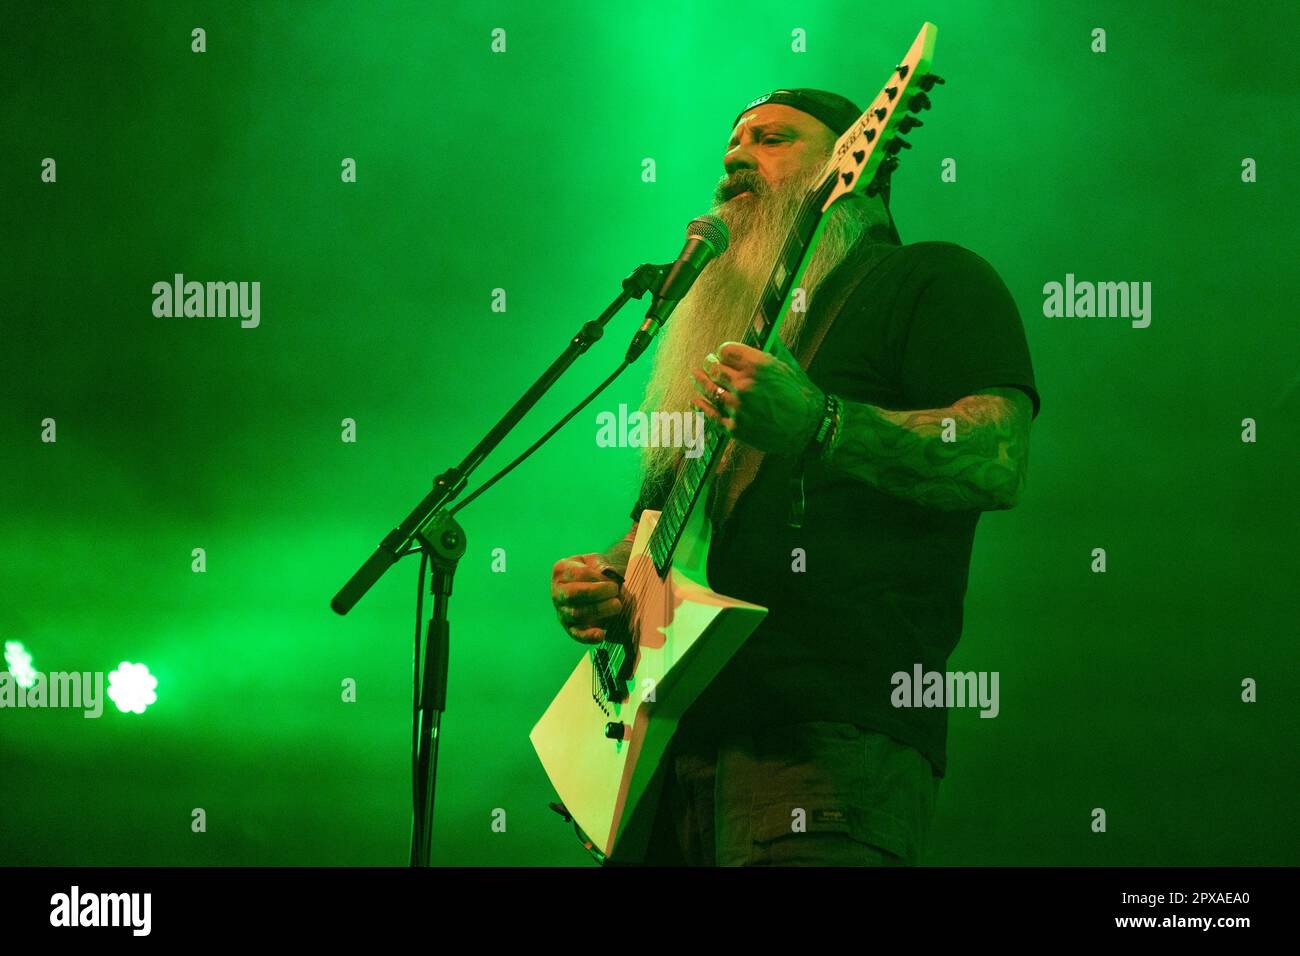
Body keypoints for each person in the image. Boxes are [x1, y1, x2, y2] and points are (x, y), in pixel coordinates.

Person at [550, 88, 1040, 865]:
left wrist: (821, 424)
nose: (736, 159)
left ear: (857, 165)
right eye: (732, 146)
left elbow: (998, 460)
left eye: (772, 139)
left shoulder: (928, 280)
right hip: (666, 756)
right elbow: (661, 535)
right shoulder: (725, 341)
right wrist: (611, 576)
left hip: (826, 744)